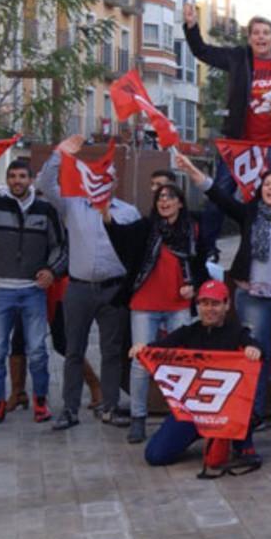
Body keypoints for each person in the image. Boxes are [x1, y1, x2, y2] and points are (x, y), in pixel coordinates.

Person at [176, 153, 271, 426]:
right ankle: (255, 413)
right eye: (267, 185)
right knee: (256, 354)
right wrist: (194, 172)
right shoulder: (250, 215)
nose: (270, 188)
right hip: (253, 297)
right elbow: (219, 196)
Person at [38, 136, 140, 430]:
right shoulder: (73, 206)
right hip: (80, 288)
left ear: (115, 181)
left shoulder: (128, 212)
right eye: (98, 176)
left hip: (113, 290)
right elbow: (45, 184)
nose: (103, 181)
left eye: (108, 177)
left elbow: (135, 252)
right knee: (73, 351)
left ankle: (109, 407)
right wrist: (58, 153)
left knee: (111, 351)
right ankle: (70, 410)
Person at [183, 4, 271, 258]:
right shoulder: (238, 58)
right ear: (249, 38)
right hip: (239, 145)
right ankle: (207, 249)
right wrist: (191, 27)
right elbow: (203, 51)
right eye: (256, 33)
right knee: (219, 193)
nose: (261, 37)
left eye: (266, 33)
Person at [103, 182, 208, 444]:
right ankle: (138, 418)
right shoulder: (146, 227)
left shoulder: (192, 230)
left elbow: (201, 265)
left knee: (179, 363)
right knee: (141, 362)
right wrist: (103, 210)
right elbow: (119, 234)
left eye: (170, 197)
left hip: (178, 305)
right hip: (145, 304)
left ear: (180, 203)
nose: (165, 201)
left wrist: (193, 286)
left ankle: (180, 415)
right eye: (160, 197)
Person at [137, 280, 263, 470]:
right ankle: (199, 434)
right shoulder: (188, 332)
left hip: (225, 412)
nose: (209, 309)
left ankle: (239, 441)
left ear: (226, 305)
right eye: (204, 303)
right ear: (197, 306)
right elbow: (159, 348)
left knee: (220, 458)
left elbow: (258, 348)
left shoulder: (237, 332)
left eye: (215, 303)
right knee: (155, 455)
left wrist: (253, 349)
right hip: (190, 411)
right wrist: (143, 349)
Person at [0, 159, 66, 425]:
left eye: (22, 176)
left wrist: (51, 270)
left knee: (37, 351)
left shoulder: (46, 210)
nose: (17, 181)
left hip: (33, 291)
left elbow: (60, 247)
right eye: (12, 176)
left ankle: (41, 403)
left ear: (31, 179)